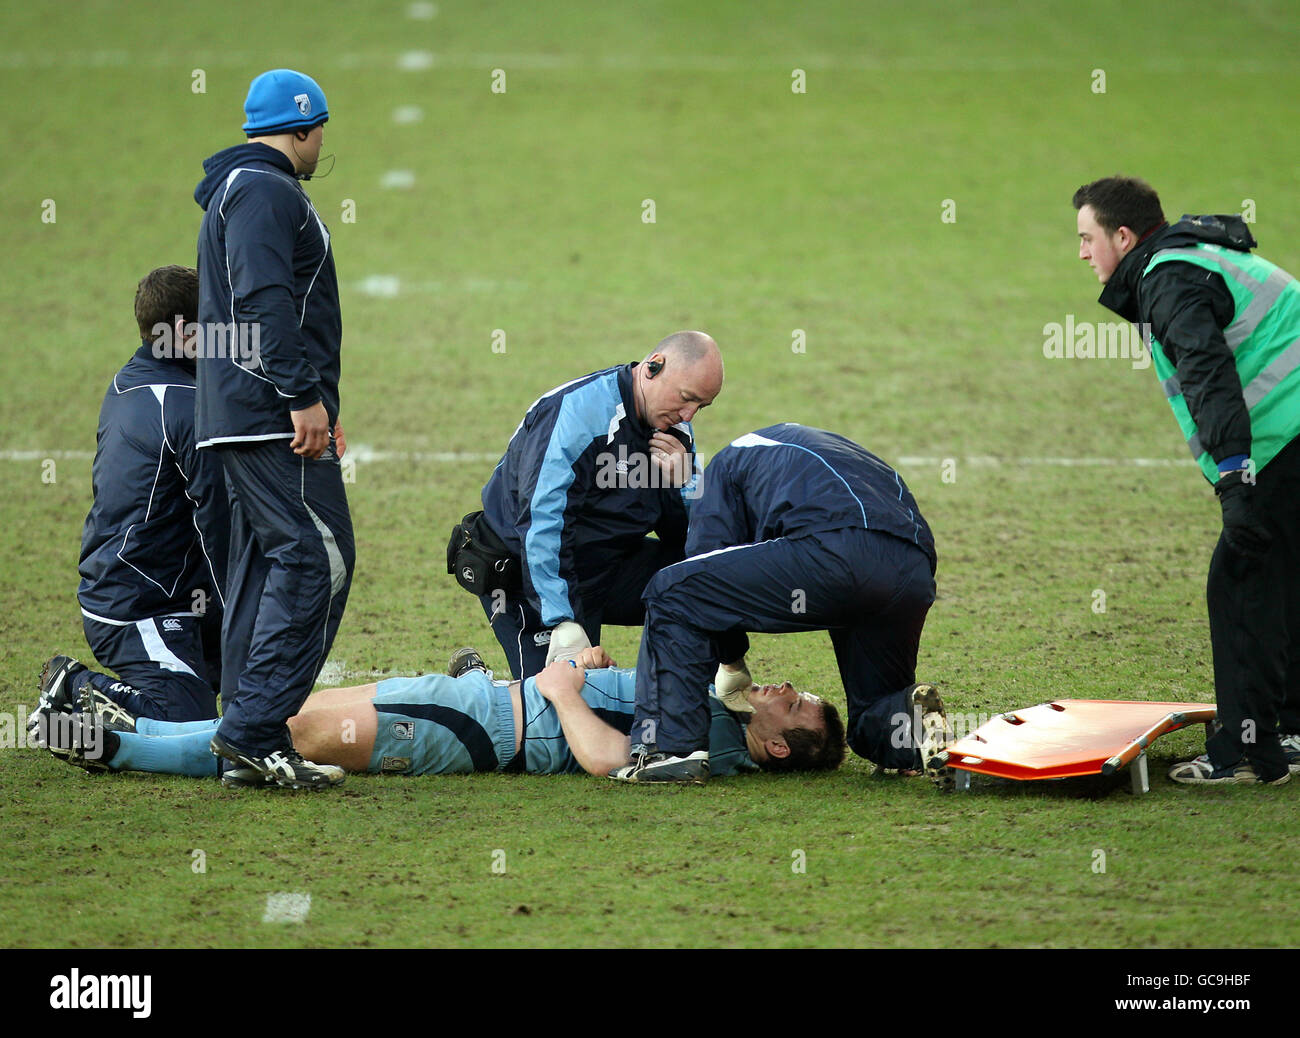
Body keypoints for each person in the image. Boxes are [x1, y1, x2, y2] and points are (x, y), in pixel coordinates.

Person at [1073, 175, 1300, 787]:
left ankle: (1250, 752)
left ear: (1123, 236)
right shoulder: (1193, 254)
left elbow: (1209, 377)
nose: (1083, 252)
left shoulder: (1167, 279)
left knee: (1242, 583)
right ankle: (1288, 728)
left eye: (1088, 238)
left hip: (1287, 439)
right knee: (1279, 578)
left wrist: (1235, 480)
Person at [612, 423, 946, 784]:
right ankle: (907, 735)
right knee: (877, 701)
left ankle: (672, 751)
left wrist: (732, 661)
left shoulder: (722, 468)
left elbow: (705, 565)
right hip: (913, 571)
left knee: (672, 587)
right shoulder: (818, 446)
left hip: (840, 552)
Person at [193, 69, 354, 790]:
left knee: (269, 566)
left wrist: (317, 397)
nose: (323, 144)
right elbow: (264, 299)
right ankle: (254, 729)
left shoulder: (244, 187)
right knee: (317, 563)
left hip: (248, 415)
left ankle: (249, 733)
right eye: (321, 130)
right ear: (303, 128)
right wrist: (301, 396)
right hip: (268, 417)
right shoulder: (265, 189)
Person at [31, 647, 844, 784]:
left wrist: (562, 690)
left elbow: (607, 760)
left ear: (777, 750)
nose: (789, 689)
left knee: (294, 733)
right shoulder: (722, 716)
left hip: (479, 730)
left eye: (798, 706)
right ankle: (120, 726)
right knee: (285, 714)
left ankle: (110, 747)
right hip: (475, 704)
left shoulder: (704, 744)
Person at [456, 331, 724, 679]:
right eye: (686, 398)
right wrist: (562, 619)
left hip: (605, 566)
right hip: (529, 575)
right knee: (556, 711)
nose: (688, 414)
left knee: (709, 577)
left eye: (701, 406)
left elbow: (694, 539)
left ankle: (683, 691)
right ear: (653, 367)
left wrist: (683, 484)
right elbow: (542, 524)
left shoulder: (675, 429)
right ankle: (472, 681)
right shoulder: (575, 415)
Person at [43, 265, 230, 724]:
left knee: (249, 677)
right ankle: (75, 685)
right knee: (185, 720)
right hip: (139, 605)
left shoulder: (135, 377)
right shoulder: (184, 407)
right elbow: (218, 528)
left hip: (158, 586)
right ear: (184, 330)